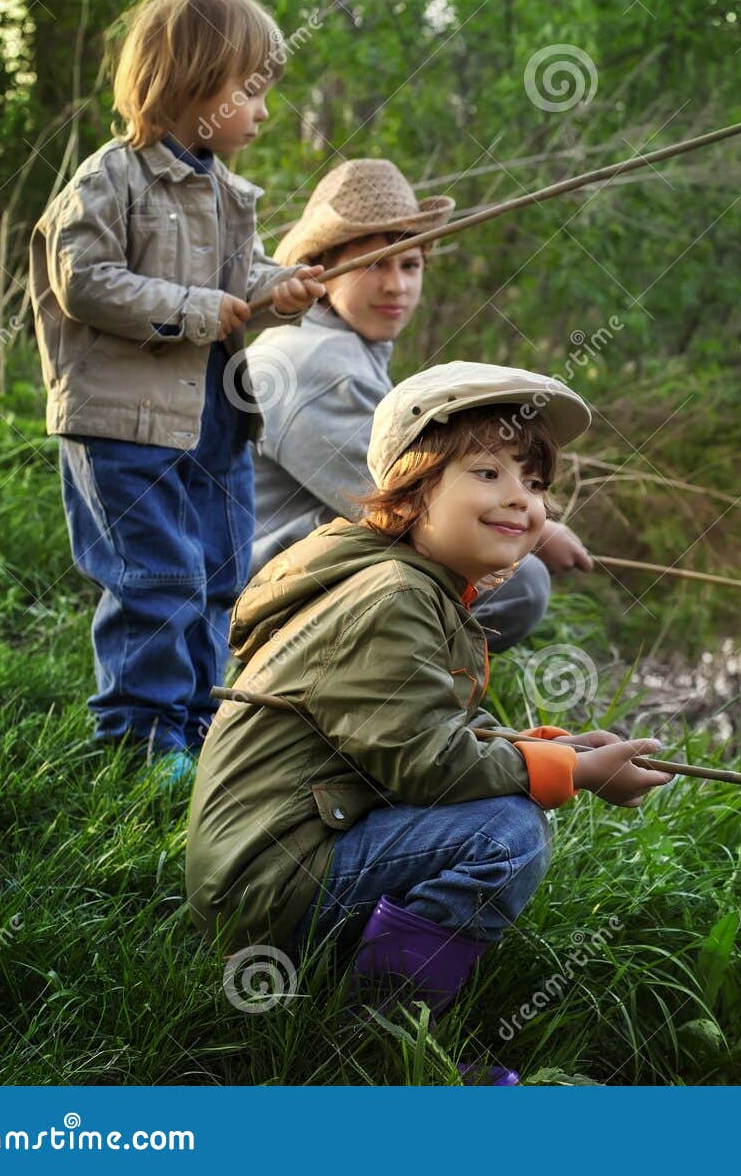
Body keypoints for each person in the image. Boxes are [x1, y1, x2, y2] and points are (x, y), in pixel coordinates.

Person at [186, 362, 670, 1082]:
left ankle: (355, 985)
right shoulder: (394, 597)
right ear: (412, 492)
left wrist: (553, 747)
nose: (522, 501)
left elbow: (409, 734)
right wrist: (570, 774)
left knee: (503, 810)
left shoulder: (411, 584)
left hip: (278, 855)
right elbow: (426, 765)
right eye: (488, 473)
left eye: (535, 485)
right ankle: (378, 1043)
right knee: (507, 833)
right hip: (266, 878)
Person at [28, 0, 325, 781]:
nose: (265, 110)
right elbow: (82, 282)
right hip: (124, 425)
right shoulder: (109, 180)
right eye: (252, 89)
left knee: (221, 575)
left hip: (215, 421)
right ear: (196, 86)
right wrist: (199, 307)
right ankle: (138, 738)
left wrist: (279, 287)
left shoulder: (230, 193)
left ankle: (197, 723)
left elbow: (243, 276)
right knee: (157, 576)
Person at [248, 158, 592, 652]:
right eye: (374, 265)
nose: (397, 286)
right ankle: (383, 687)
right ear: (325, 270)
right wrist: (536, 533)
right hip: (262, 590)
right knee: (521, 584)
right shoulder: (320, 364)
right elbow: (404, 501)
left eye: (410, 264)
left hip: (288, 567)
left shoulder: (332, 343)